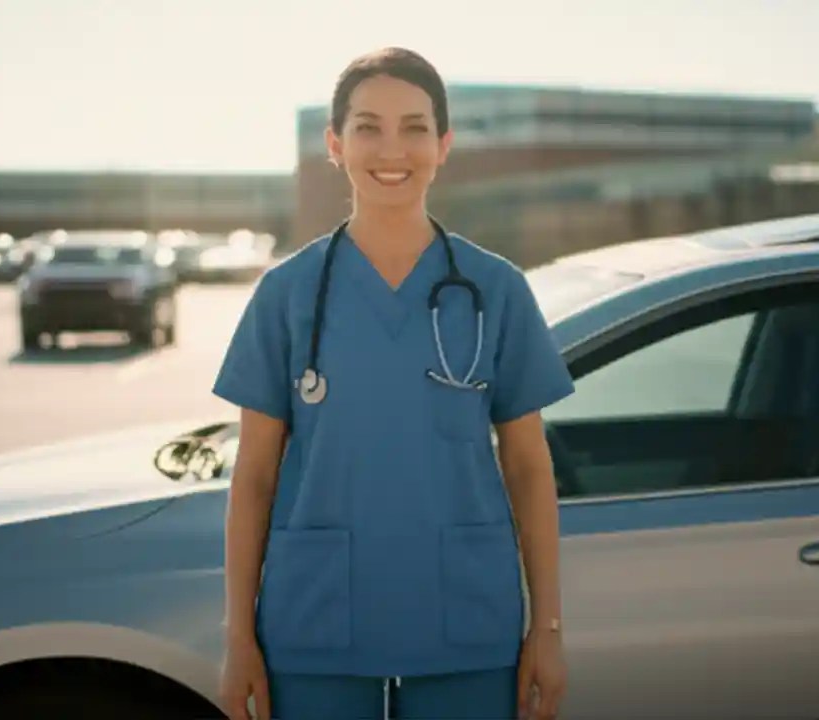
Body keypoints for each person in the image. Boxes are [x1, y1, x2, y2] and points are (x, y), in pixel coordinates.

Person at [212, 47, 574, 720]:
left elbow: (528, 467)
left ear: (444, 144)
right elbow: (254, 476)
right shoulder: (286, 295)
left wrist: (546, 630)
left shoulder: (497, 289)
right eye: (368, 126)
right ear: (335, 143)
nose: (392, 149)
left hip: (466, 624)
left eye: (414, 127)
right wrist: (238, 638)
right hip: (315, 626)